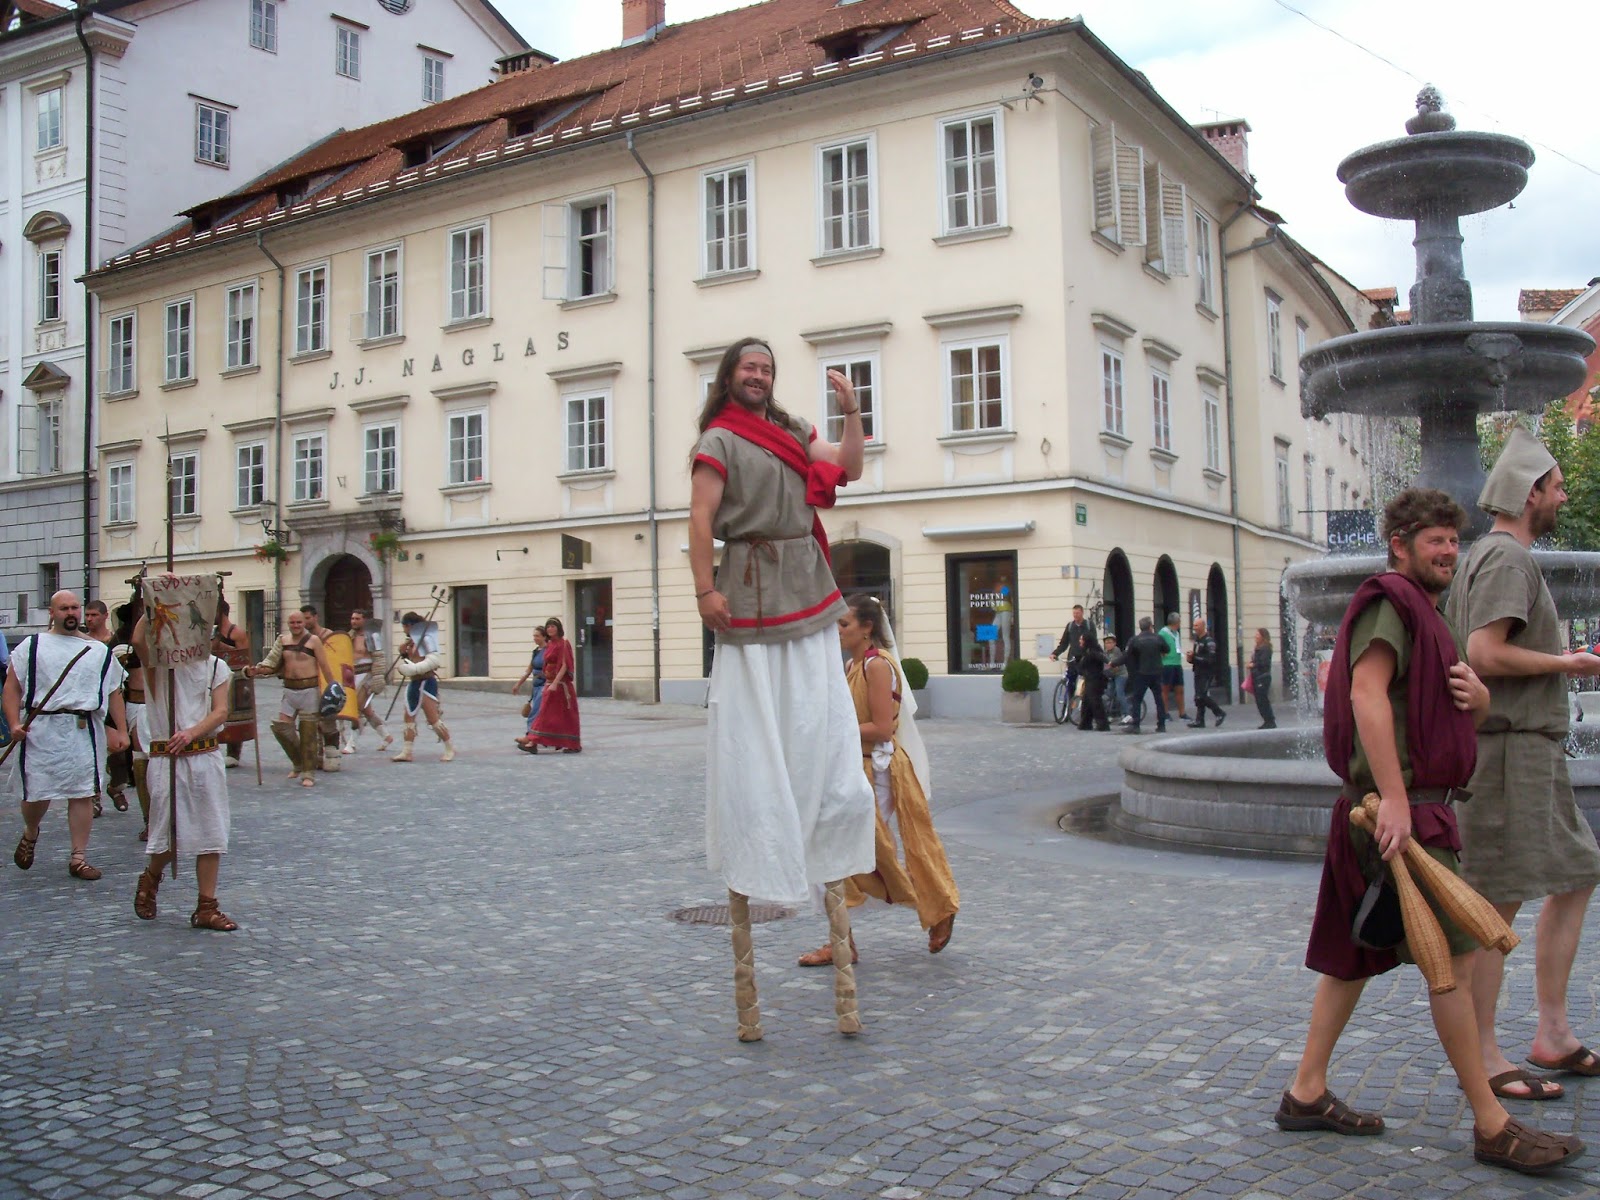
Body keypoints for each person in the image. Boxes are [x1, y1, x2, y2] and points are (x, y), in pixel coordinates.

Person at [1278, 487, 1583, 1176]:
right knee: (1460, 961)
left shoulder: (1428, 613)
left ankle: (1306, 1091)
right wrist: (1392, 798)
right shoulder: (1390, 601)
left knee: (1350, 957)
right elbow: (1364, 693)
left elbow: (1420, 718)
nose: (1448, 549)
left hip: (1402, 806)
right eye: (1435, 539)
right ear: (1400, 545)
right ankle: (1492, 1123)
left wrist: (1472, 709)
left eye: (1453, 538)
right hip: (1402, 815)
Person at [690, 336, 875, 1041]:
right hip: (751, 589)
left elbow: (849, 466)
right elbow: (702, 518)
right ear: (731, 377)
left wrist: (853, 412)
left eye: (766, 368)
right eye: (749, 367)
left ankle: (824, 822)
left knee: (823, 737)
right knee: (755, 738)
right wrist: (704, 587)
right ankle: (760, 836)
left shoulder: (794, 432)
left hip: (807, 585)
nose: (759, 375)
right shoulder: (718, 438)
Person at [1446, 427, 1600, 1096]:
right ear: (1531, 492)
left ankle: (1553, 1033)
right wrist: (1567, 663)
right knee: (1492, 913)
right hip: (1507, 753)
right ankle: (1481, 1057)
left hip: (1531, 754)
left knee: (1578, 872)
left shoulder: (1498, 556)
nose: (1563, 496)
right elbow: (1484, 653)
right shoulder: (1507, 559)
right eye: (1558, 486)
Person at [798, 594, 957, 966]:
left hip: (880, 773)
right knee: (829, 853)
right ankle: (843, 941)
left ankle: (937, 908)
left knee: (849, 852)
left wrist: (831, 733)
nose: (837, 631)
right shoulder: (852, 664)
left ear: (866, 628)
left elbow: (883, 729)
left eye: (844, 624)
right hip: (855, 768)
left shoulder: (877, 666)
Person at [6, 591, 130, 880]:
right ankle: (31, 830)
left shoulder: (98, 651)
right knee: (36, 793)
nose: (71, 612)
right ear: (52, 612)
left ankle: (78, 857)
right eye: (64, 608)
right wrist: (14, 723)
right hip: (42, 729)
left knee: (83, 793)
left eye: (75, 607)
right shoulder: (32, 646)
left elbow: (113, 691)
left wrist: (121, 730)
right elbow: (12, 687)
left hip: (82, 729)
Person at [131, 596, 237, 932]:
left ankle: (207, 906)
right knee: (169, 834)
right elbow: (137, 639)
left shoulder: (217, 667)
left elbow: (221, 711)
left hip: (204, 757)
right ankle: (151, 877)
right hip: (167, 760)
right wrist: (159, 597)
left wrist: (192, 732)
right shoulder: (161, 666)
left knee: (211, 831)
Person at [245, 609, 336, 787]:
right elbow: (271, 662)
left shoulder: (314, 641)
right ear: (288, 624)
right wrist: (256, 670)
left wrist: (332, 688)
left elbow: (324, 665)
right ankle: (298, 763)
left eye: (299, 623)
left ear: (304, 623)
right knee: (282, 728)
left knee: (308, 733)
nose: (296, 626)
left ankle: (308, 772)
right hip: (289, 690)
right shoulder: (283, 641)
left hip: (309, 690)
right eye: (292, 623)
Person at [84, 598, 130, 816]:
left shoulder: (115, 640)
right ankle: (94, 797)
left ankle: (116, 787)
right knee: (92, 751)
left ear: (104, 616)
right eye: (87, 615)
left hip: (113, 697)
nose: (89, 619)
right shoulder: (81, 641)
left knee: (118, 748)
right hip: (89, 701)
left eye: (94, 615)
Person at [391, 611, 455, 762]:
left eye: (405, 626)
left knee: (433, 719)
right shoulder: (412, 641)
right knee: (408, 717)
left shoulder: (425, 639)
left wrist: (413, 668)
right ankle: (407, 751)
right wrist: (405, 655)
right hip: (414, 682)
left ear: (411, 626)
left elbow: (434, 660)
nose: (404, 629)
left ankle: (449, 748)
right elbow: (413, 659)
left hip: (426, 681)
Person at [525, 618, 580, 753]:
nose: (550, 629)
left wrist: (555, 683)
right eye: (548, 627)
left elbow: (564, 665)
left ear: (558, 628)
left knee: (565, 716)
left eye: (553, 626)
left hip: (561, 686)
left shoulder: (563, 644)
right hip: (549, 683)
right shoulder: (550, 644)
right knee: (546, 714)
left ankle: (571, 744)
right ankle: (533, 740)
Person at [299, 605, 342, 771]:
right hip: (309, 685)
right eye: (303, 619)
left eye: (307, 618)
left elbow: (338, 660)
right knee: (310, 722)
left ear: (315, 617)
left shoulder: (329, 636)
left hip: (327, 684)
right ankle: (315, 755)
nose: (305, 622)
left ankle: (332, 755)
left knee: (328, 721)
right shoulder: (302, 639)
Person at [211, 595, 251, 769]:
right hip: (215, 675)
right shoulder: (211, 631)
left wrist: (223, 646)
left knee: (234, 714)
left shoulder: (237, 632)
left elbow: (244, 655)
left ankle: (234, 752)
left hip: (234, 677)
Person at [345, 608, 391, 753]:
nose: (354, 621)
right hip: (352, 675)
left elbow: (378, 657)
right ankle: (386, 736)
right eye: (352, 618)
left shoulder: (371, 636)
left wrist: (378, 677)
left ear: (364, 620)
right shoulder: (349, 637)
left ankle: (351, 743)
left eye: (357, 619)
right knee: (367, 710)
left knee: (356, 708)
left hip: (366, 675)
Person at [1113, 617, 1168, 733]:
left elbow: (1126, 656)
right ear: (1150, 626)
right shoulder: (1158, 638)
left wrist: (1113, 663)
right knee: (1159, 699)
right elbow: (1166, 649)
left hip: (1141, 673)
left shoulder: (1135, 640)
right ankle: (1161, 724)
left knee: (1137, 699)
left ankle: (1136, 725)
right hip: (1157, 672)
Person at [1186, 617, 1227, 729]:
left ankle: (1219, 712)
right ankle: (1200, 720)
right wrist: (1191, 658)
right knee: (1198, 697)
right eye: (1194, 625)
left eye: (1197, 625)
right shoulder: (1197, 640)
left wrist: (1195, 657)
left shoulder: (1209, 641)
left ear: (1203, 626)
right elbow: (1196, 657)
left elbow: (1210, 659)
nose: (1194, 628)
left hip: (1207, 673)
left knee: (1202, 696)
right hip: (1198, 671)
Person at [512, 626, 549, 751]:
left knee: (536, 712)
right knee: (539, 713)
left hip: (545, 685)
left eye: (537, 636)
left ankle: (530, 737)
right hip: (536, 686)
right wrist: (518, 684)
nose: (535, 638)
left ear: (544, 636)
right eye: (534, 636)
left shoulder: (549, 651)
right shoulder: (536, 652)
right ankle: (539, 738)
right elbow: (529, 670)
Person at [1049, 604, 1089, 708]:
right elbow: (1064, 643)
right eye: (1074, 613)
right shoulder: (1070, 626)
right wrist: (1055, 653)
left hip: (1085, 658)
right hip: (1073, 658)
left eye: (1077, 613)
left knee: (1085, 684)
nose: (1075, 615)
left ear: (1082, 613)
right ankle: (1068, 709)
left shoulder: (1089, 625)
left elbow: (1093, 642)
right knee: (1070, 683)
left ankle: (1085, 707)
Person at [1076, 630, 1110, 732]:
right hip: (1089, 679)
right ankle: (1085, 723)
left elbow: (1102, 658)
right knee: (1087, 701)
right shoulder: (1087, 651)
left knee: (1095, 702)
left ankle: (1103, 724)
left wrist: (1110, 663)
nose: (1080, 641)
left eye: (1081, 640)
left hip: (1095, 680)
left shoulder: (1093, 651)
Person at [1159, 612, 1187, 720]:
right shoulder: (1163, 633)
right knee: (1165, 689)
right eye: (1179, 621)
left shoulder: (1177, 633)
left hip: (1177, 663)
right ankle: (1165, 713)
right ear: (1175, 622)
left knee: (1179, 689)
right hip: (1167, 664)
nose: (1180, 623)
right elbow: (1160, 647)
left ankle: (1182, 713)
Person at [1251, 628, 1277, 729]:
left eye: (1257, 635)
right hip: (1258, 676)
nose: (1255, 636)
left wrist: (1253, 665)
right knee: (1260, 700)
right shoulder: (1259, 648)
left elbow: (1263, 663)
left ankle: (1270, 720)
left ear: (1263, 636)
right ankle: (1267, 720)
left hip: (1262, 677)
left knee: (1262, 700)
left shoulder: (1265, 648)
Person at [1103, 633, 1128, 721]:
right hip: (1111, 675)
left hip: (1120, 675)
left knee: (1119, 693)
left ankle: (1126, 714)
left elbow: (1114, 664)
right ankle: (1111, 714)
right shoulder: (1105, 652)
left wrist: (1109, 666)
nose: (1108, 645)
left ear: (1114, 643)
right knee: (1109, 694)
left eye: (1110, 642)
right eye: (1106, 643)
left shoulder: (1116, 651)